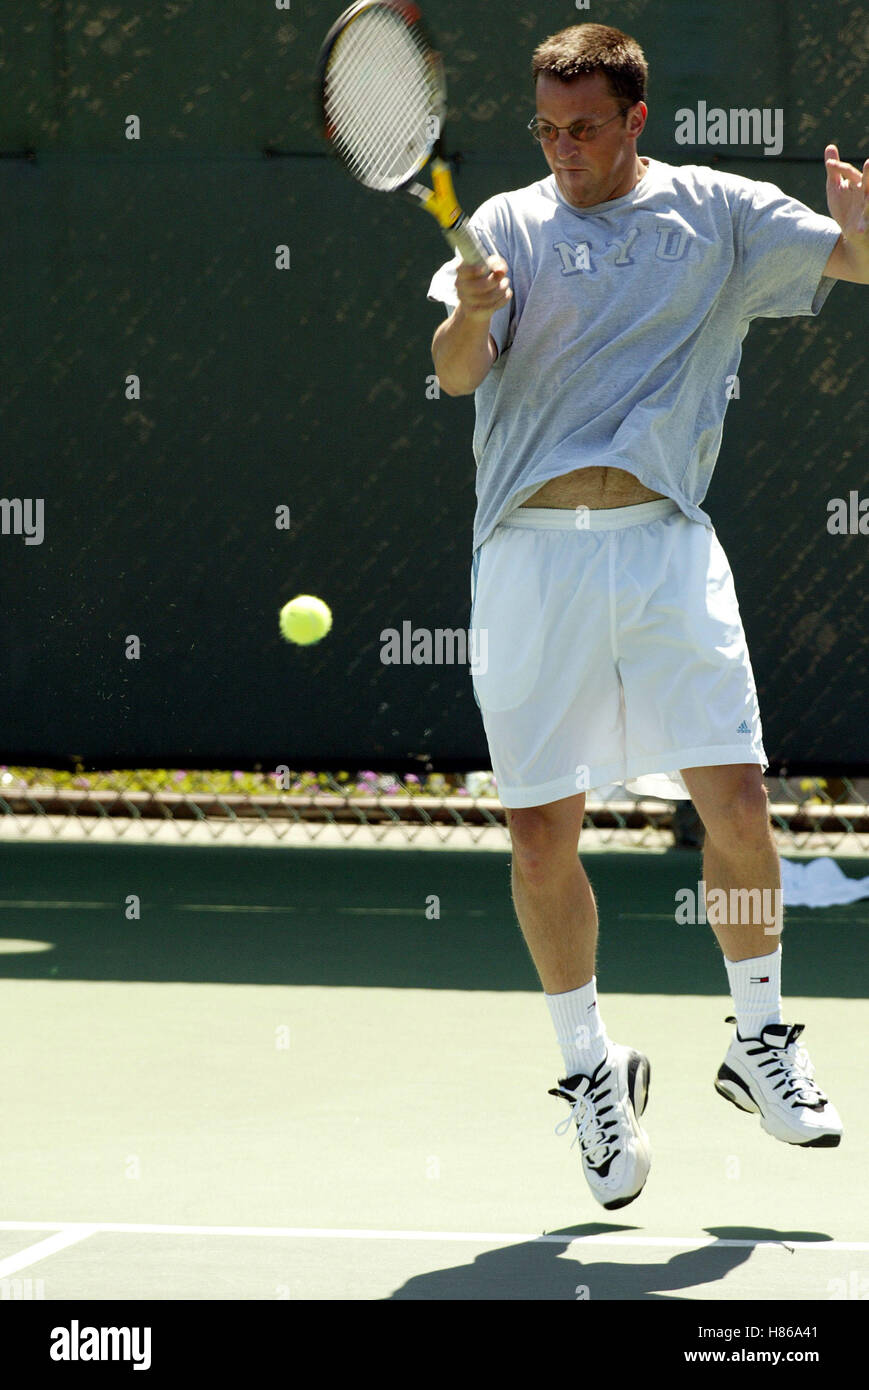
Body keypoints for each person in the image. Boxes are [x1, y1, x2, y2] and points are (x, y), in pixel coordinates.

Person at [427, 22, 867, 1210]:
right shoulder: (504, 227)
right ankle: (588, 1068)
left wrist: (861, 225)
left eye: (583, 129)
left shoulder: (716, 213)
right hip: (528, 559)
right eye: (545, 129)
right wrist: (468, 311)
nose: (562, 150)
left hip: (665, 545)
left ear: (633, 120)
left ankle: (758, 1034)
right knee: (538, 838)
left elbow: (855, 262)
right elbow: (457, 371)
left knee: (737, 804)